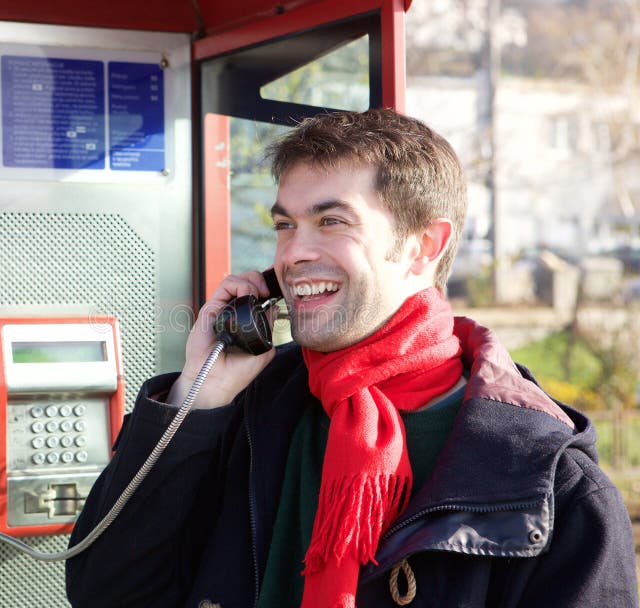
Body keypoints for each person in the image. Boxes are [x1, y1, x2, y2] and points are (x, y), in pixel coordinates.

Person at [66, 109, 638, 608]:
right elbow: (109, 591)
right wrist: (201, 396)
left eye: (331, 221)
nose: (294, 255)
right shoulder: (246, 410)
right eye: (285, 226)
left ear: (424, 246)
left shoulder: (545, 481)